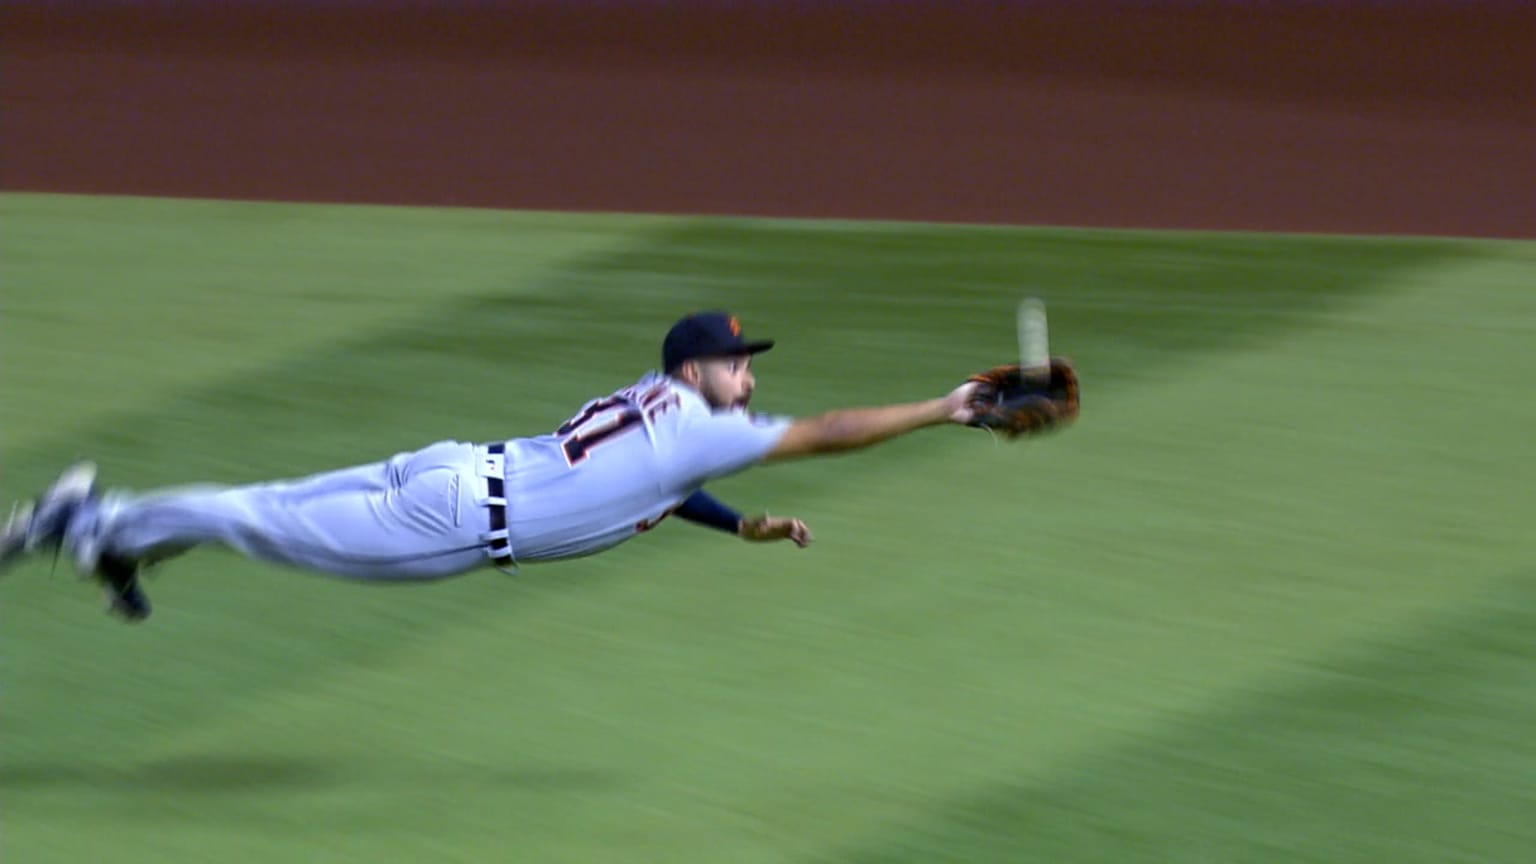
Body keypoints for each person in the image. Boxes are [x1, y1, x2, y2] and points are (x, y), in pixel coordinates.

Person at [1, 311, 1075, 623]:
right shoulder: (700, 425)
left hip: (449, 470)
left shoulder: (663, 413)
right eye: (736, 365)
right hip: (452, 526)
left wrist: (738, 524)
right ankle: (77, 522)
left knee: (261, 506)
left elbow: (656, 488)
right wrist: (944, 408)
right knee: (256, 522)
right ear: (693, 370)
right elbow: (832, 430)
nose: (748, 378)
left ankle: (106, 532)